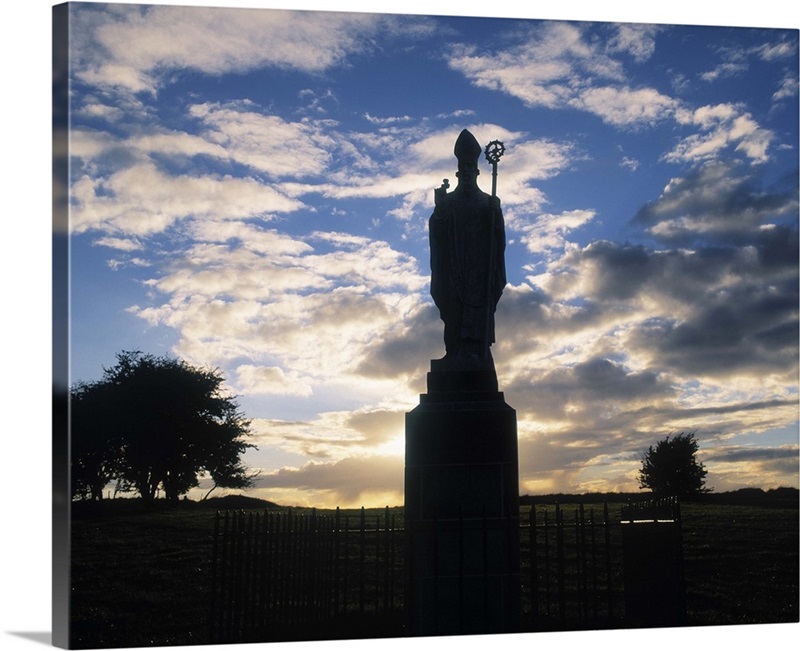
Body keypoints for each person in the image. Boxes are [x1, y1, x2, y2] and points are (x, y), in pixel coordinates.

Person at [429, 129, 506, 368]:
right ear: (458, 172)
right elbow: (437, 232)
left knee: (477, 308)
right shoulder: (448, 202)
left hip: (479, 268)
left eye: (470, 168)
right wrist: (440, 211)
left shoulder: (487, 203)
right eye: (463, 169)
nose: (466, 172)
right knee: (454, 306)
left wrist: (497, 215)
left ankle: (476, 351)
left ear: (477, 171)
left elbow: (498, 239)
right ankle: (454, 351)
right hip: (454, 265)